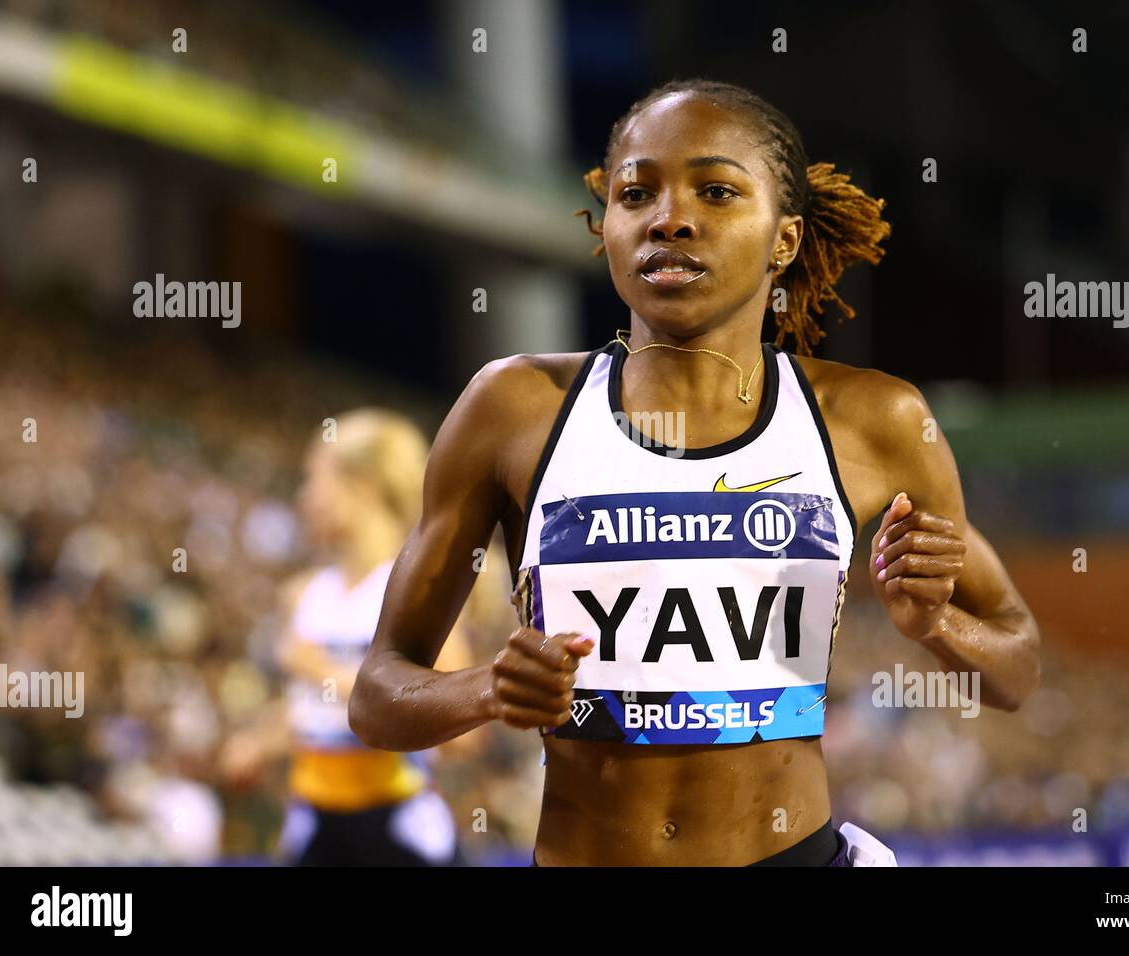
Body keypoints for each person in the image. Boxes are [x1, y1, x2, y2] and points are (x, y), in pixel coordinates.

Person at [350, 79, 1040, 866]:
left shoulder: (875, 422)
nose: (669, 217)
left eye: (715, 191)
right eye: (635, 192)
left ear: (784, 240)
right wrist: (488, 690)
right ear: (605, 224)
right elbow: (377, 695)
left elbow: (1015, 665)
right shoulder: (512, 408)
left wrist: (936, 627)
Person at [222, 408, 470, 865]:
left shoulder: (416, 592)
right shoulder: (304, 595)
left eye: (314, 480)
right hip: (316, 826)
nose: (303, 499)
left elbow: (460, 736)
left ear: (362, 488)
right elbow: (313, 713)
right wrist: (258, 743)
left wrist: (322, 670)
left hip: (397, 833)